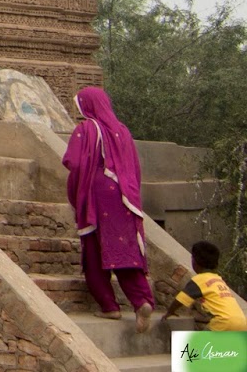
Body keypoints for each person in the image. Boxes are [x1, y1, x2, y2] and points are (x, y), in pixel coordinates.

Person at [63, 86, 155, 330]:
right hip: (125, 196)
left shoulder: (86, 129)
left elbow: (72, 161)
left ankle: (109, 307)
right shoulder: (122, 131)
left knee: (93, 249)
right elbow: (134, 167)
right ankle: (141, 300)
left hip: (98, 194)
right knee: (122, 247)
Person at [163, 241, 247, 331]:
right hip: (242, 322)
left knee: (195, 345)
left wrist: (170, 311)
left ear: (195, 261)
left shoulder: (199, 280)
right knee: (225, 345)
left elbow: (180, 300)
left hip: (223, 322)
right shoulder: (219, 280)